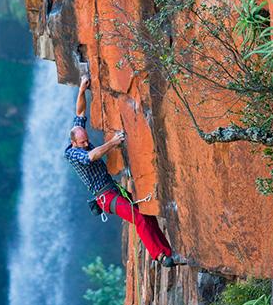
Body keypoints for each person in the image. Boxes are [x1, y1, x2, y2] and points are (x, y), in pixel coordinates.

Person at [64, 76, 186, 268]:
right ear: (73, 143)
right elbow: (92, 157)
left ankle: (168, 253)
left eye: (86, 140)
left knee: (146, 214)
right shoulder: (72, 154)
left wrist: (81, 90)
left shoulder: (78, 133)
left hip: (112, 190)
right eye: (82, 143)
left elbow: (80, 112)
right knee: (137, 217)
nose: (86, 143)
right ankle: (160, 256)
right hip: (105, 196)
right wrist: (113, 142)